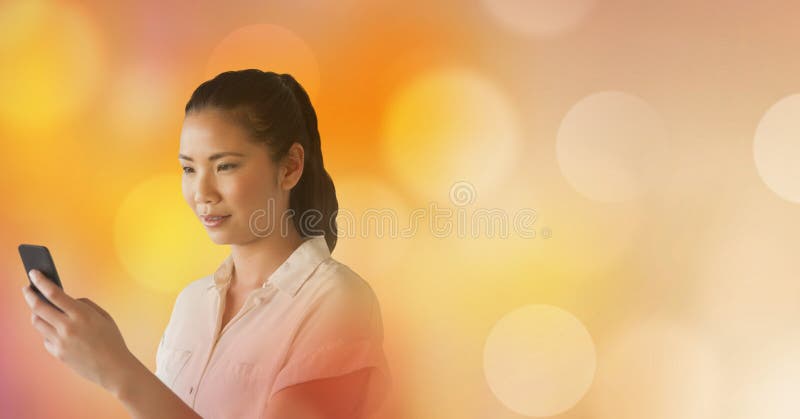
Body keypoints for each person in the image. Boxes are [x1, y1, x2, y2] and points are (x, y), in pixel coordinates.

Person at [21, 69, 391, 419]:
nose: (202, 192)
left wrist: (118, 370)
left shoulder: (340, 300)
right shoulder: (192, 303)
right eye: (189, 169)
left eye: (225, 166)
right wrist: (100, 350)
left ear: (290, 166)